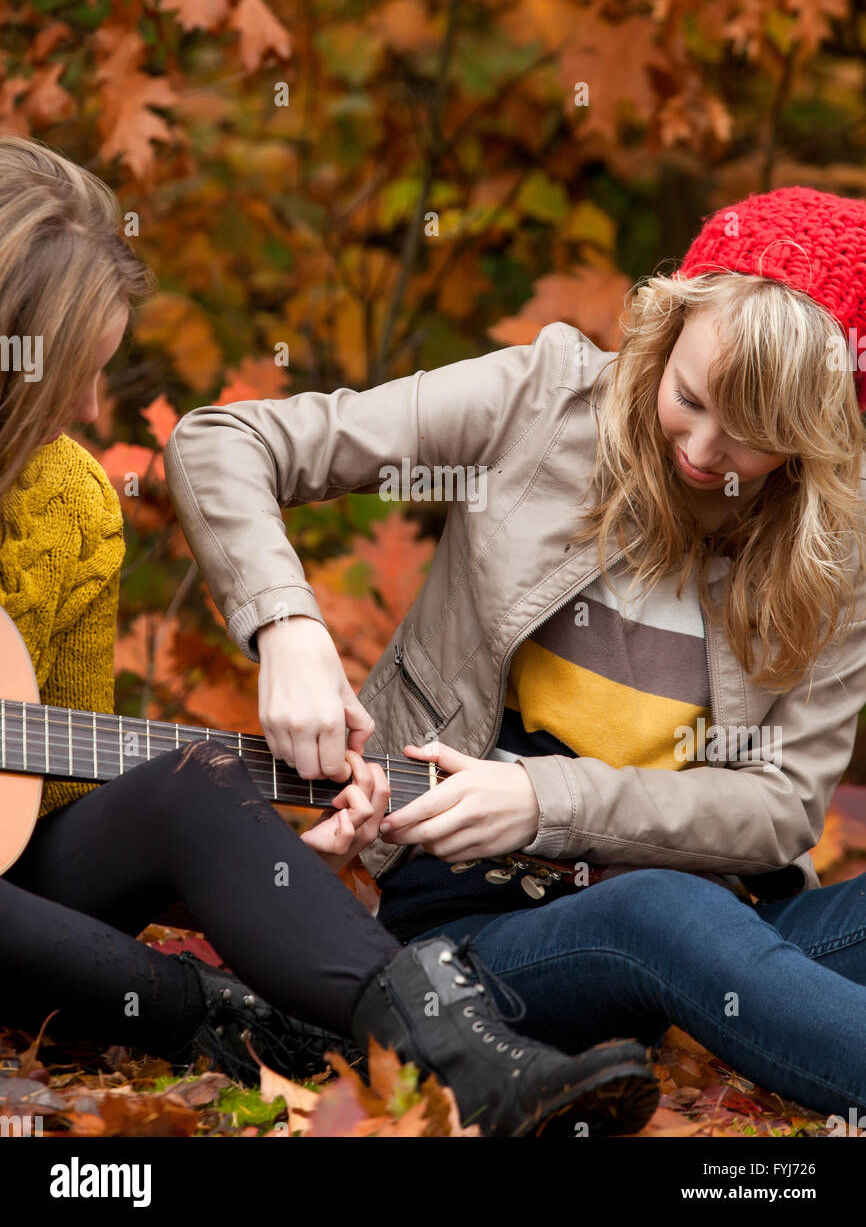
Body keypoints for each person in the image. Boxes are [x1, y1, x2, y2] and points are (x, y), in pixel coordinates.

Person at [0, 135, 661, 1139]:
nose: (93, 411)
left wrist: (271, 855)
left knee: (193, 781)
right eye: (75, 378)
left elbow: (67, 810)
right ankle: (220, 1022)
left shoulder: (72, 503)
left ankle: (459, 1061)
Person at [166, 185, 866, 1121]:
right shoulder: (540, 401)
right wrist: (286, 629)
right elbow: (225, 441)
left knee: (699, 915)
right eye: (689, 398)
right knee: (661, 913)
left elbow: (778, 808)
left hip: (744, 924)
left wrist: (548, 799)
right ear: (669, 324)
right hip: (487, 926)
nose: (702, 450)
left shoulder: (836, 540)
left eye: (755, 438)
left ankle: (778, 1024)